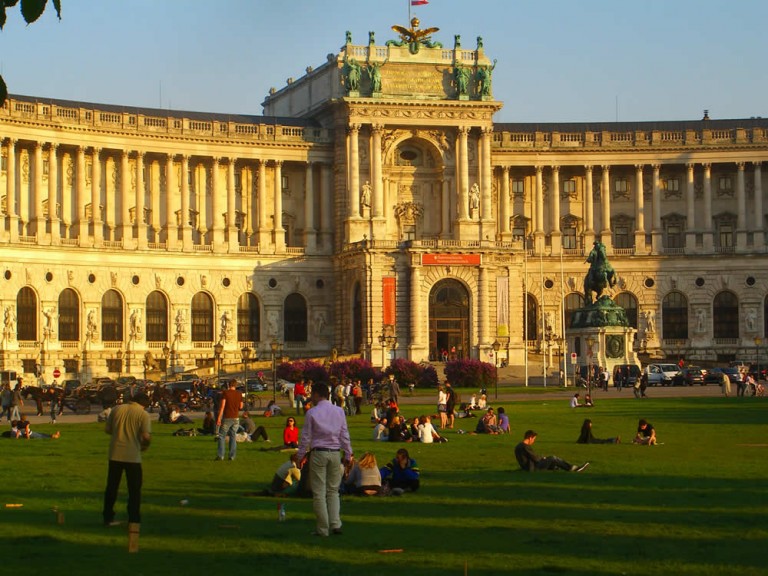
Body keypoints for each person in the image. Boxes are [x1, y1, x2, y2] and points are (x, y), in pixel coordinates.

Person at [296, 381, 353, 537]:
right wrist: (348, 453)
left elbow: (306, 437)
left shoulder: (312, 413)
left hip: (318, 452)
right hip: (335, 452)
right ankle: (335, 523)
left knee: (319, 492)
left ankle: (322, 528)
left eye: (312, 395)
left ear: (316, 394)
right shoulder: (339, 411)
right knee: (333, 491)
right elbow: (344, 434)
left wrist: (300, 456)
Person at [102, 392, 151, 527]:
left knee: (112, 487)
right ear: (144, 405)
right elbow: (146, 436)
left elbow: (108, 430)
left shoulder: (117, 409)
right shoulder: (143, 414)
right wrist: (145, 446)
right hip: (133, 456)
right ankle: (134, 519)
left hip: (115, 454)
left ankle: (108, 517)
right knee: (134, 490)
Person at [514, 429, 589, 472]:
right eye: (533, 439)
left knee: (552, 461)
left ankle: (556, 467)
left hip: (526, 467)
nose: (533, 441)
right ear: (530, 438)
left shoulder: (518, 446)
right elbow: (535, 458)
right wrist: (543, 458)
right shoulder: (526, 447)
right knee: (553, 458)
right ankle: (572, 468)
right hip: (532, 468)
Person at [215, 380, 243, 461]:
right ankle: (232, 456)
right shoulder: (239, 393)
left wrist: (219, 418)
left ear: (228, 385)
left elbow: (222, 406)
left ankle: (221, 455)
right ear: (235, 385)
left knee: (221, 436)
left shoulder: (225, 393)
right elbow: (241, 406)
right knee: (233, 436)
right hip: (236, 418)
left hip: (227, 417)